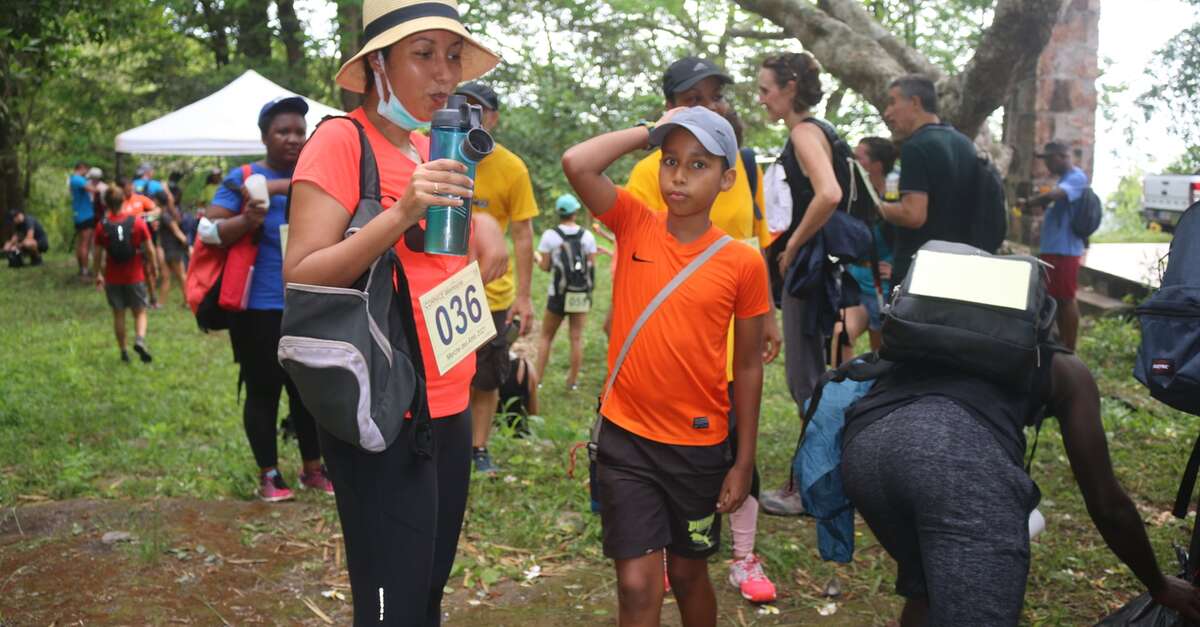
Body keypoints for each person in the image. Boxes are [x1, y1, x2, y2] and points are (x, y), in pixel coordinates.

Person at [284, 1, 507, 622]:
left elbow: (434, 249)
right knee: (391, 602)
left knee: (428, 589)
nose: (444, 73)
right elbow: (302, 273)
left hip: (451, 398)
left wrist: (481, 221)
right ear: (377, 64)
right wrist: (400, 214)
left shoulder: (426, 144)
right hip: (385, 402)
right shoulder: (337, 141)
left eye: (453, 54)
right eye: (424, 54)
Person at [562, 106, 769, 627]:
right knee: (635, 585)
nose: (679, 174)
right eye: (670, 159)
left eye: (699, 164)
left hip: (697, 448)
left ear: (727, 179)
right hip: (626, 440)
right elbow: (577, 163)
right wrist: (648, 132)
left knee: (689, 572)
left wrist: (742, 461)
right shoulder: (634, 223)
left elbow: (747, 366)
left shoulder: (742, 263)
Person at [841, 347, 1200, 623]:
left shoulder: (925, 344)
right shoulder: (1063, 367)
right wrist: (1159, 584)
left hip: (864, 450)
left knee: (927, 585)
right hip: (953, 462)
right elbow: (1108, 505)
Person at [626, 57, 782, 602]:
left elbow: (756, 233)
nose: (711, 105)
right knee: (690, 455)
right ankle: (671, 548)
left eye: (715, 95)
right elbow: (642, 252)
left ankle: (744, 554)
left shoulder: (740, 160)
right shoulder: (655, 170)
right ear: (671, 104)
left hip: (738, 312)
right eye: (695, 97)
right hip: (680, 336)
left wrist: (769, 314)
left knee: (738, 446)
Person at [207, 96, 332, 503]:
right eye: (283, 131)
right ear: (265, 137)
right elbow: (209, 230)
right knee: (263, 389)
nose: (293, 139)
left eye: (300, 131)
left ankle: (313, 469)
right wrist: (248, 219)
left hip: (310, 300)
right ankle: (270, 474)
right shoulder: (240, 178)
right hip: (258, 307)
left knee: (310, 390)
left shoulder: (318, 175)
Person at [753, 52, 843, 517]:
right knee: (814, 378)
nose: (761, 98)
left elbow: (829, 193)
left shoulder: (805, 133)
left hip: (807, 272)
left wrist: (792, 247)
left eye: (766, 89)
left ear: (790, 87)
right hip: (819, 273)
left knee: (805, 380)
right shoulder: (821, 131)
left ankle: (810, 488)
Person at [453, 81, 538, 476]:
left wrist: (525, 296)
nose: (471, 116)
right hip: (440, 289)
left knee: (485, 377)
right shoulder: (434, 151)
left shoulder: (511, 167)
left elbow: (522, 234)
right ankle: (442, 441)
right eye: (462, 107)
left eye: (479, 110)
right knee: (444, 373)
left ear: (494, 117)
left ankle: (478, 446)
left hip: (490, 292)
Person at [877, 75, 978, 286]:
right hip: (962, 266)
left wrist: (874, 205)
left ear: (915, 102)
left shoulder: (916, 146)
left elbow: (913, 215)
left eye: (893, 102)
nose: (887, 113)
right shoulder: (965, 144)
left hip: (920, 272)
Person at [835, 137, 897, 363]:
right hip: (857, 287)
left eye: (859, 156)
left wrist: (898, 267)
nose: (852, 160)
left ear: (876, 166)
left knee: (883, 356)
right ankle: (845, 392)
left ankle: (875, 394)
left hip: (885, 290)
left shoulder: (896, 198)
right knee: (839, 335)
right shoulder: (852, 195)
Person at [1022, 141, 1089, 350]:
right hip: (1054, 250)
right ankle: (1060, 341)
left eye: (1049, 159)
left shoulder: (1076, 178)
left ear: (1062, 156)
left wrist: (1030, 202)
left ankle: (1069, 347)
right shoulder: (1064, 180)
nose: (1047, 165)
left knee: (1066, 299)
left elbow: (1055, 196)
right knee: (1056, 298)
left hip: (1065, 250)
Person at [533, 193, 602, 391]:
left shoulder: (549, 236)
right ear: (575, 212)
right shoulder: (587, 236)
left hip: (558, 293)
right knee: (576, 337)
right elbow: (592, 266)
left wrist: (538, 259)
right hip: (580, 293)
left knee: (546, 336)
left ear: (558, 213)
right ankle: (572, 382)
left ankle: (537, 380)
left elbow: (546, 267)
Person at [92, 186, 155, 363]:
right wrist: (153, 266)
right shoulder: (137, 223)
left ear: (107, 204)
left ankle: (124, 351)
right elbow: (149, 249)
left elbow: (97, 255)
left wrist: (97, 274)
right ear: (123, 200)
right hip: (135, 275)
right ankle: (140, 340)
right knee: (140, 312)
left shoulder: (101, 226)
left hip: (112, 277)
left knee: (119, 314)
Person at [118, 178, 161, 307]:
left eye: (131, 186)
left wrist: (144, 217)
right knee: (128, 269)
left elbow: (157, 211)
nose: (130, 189)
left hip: (143, 238)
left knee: (148, 268)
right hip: (126, 241)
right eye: (127, 187)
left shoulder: (140, 199)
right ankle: (130, 297)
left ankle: (152, 298)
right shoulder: (119, 202)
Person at [157, 172, 190, 306]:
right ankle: (161, 303)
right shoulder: (163, 214)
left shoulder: (167, 215)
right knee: (166, 276)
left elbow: (177, 232)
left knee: (182, 276)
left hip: (173, 249)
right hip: (166, 249)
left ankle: (189, 301)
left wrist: (188, 246)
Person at [69, 162, 97, 278]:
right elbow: (93, 190)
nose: (87, 173)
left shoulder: (73, 180)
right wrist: (95, 184)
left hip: (78, 214)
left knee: (80, 243)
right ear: (82, 168)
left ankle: (82, 269)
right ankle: (85, 271)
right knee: (85, 244)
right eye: (86, 170)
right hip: (85, 215)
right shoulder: (78, 179)